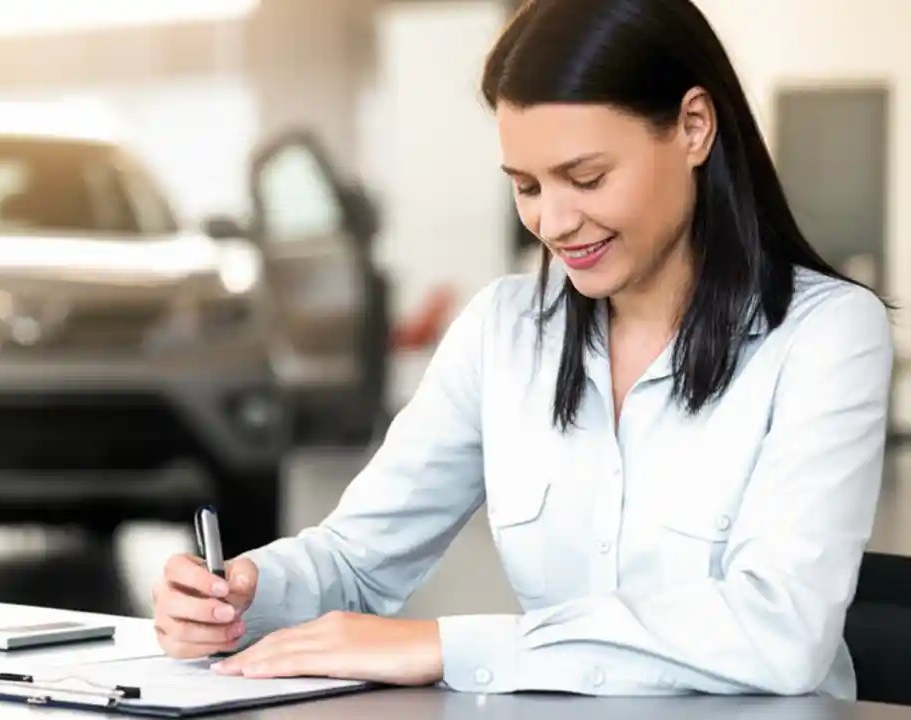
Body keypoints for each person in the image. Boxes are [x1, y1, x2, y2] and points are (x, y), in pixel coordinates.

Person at [151, 0, 894, 699]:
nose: (556, 222)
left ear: (694, 128)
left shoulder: (827, 335)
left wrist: (449, 648)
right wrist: (244, 592)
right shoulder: (503, 331)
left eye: (587, 177)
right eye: (527, 186)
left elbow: (780, 632)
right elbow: (356, 558)